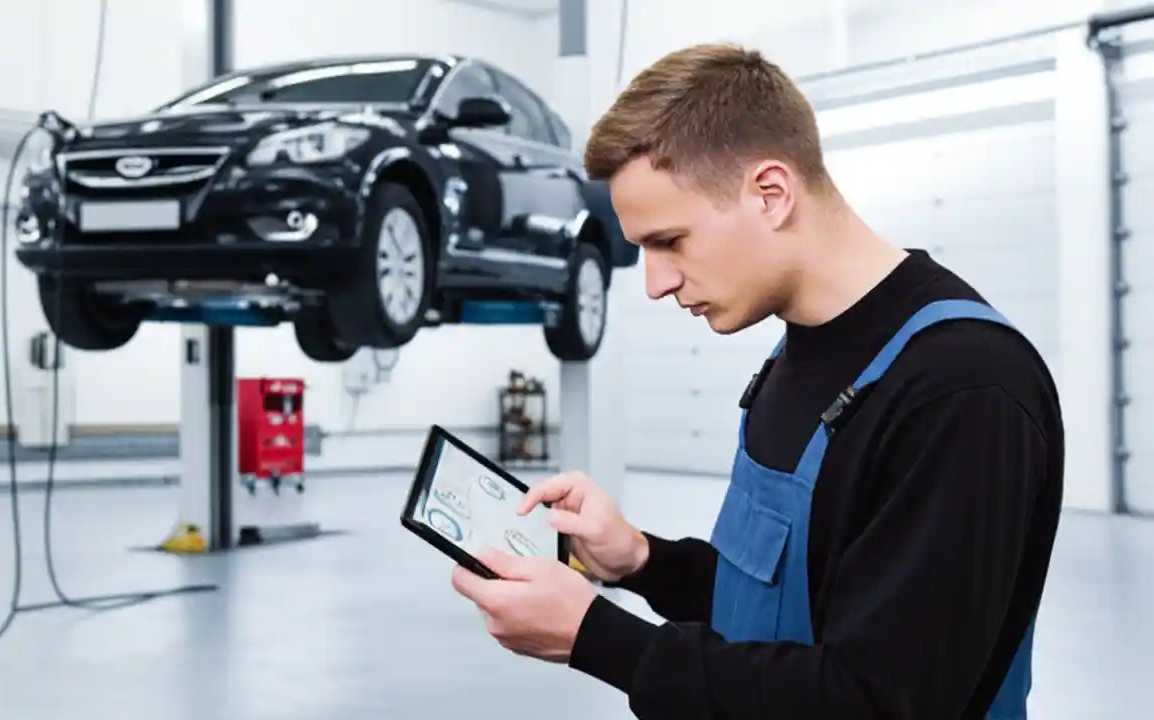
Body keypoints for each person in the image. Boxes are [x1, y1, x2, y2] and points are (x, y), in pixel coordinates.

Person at [449, 42, 1064, 719]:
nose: (655, 284)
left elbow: (877, 700)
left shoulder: (961, 389)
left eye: (669, 241)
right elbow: (785, 606)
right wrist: (639, 560)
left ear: (770, 194)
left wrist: (599, 639)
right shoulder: (792, 356)